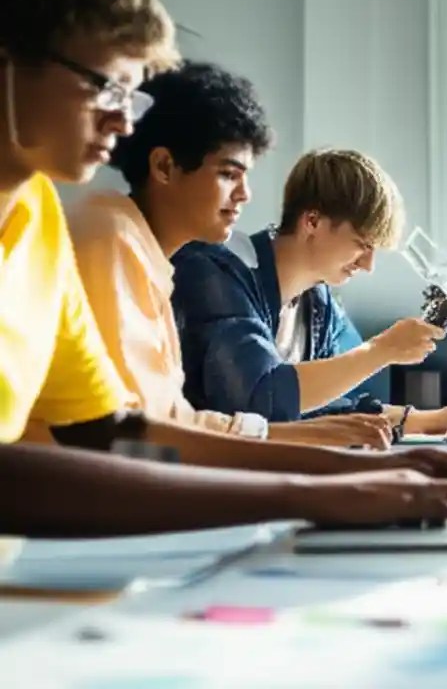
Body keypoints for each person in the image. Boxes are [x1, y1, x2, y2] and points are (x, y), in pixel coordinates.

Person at [0, 0, 447, 537]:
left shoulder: (40, 216)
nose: (122, 119)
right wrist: (318, 489)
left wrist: (361, 467)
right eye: (102, 86)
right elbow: (112, 451)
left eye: (128, 96)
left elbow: (110, 428)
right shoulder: (114, 234)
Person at [66, 62, 390, 450]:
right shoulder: (113, 238)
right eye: (228, 174)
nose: (244, 194)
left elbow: (172, 419)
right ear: (165, 167)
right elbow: (131, 439)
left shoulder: (149, 256)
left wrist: (288, 437)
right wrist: (294, 452)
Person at [171, 148, 447, 435]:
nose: (368, 265)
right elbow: (258, 399)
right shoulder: (214, 272)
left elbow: (324, 406)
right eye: (362, 245)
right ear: (313, 221)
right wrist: (380, 351)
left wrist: (433, 421)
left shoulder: (317, 303)